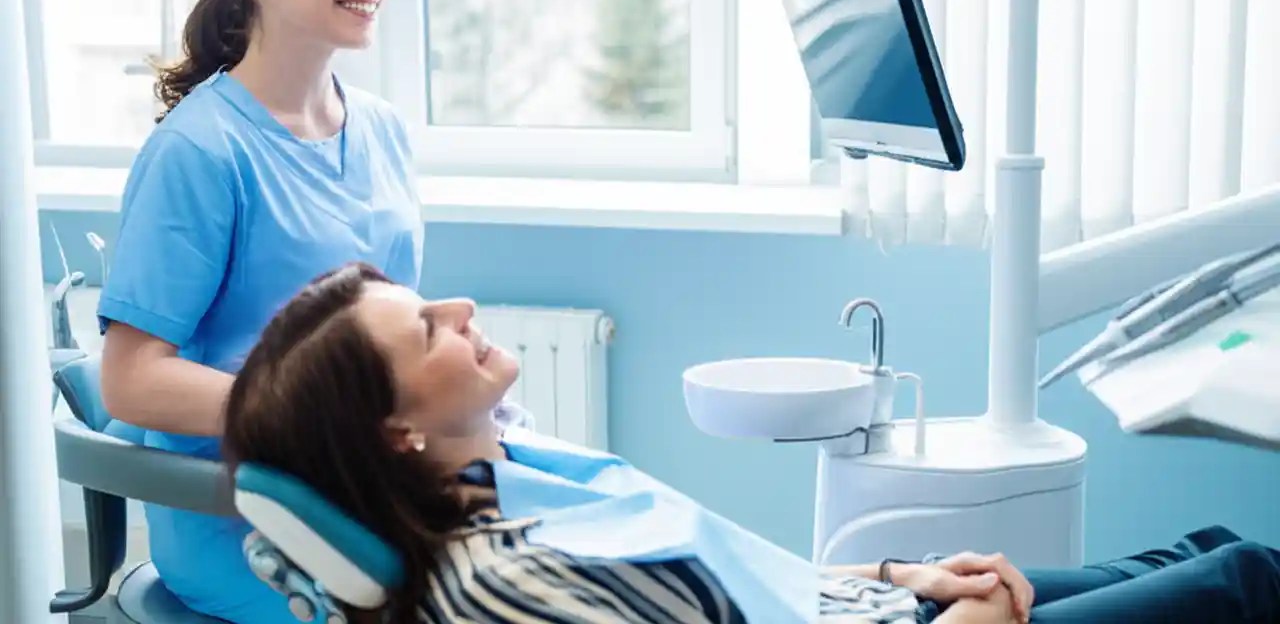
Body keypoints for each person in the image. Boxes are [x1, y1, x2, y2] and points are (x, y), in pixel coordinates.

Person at [222, 262, 1280, 624]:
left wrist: (895, 572)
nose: (457, 305)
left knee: (1202, 552)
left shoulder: (509, 489)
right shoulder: (506, 588)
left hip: (878, 603)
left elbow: (721, 586)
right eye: (424, 328)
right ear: (395, 430)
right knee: (1240, 581)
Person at [96, 0, 422, 620]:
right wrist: (321, 415)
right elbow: (130, 381)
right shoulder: (199, 151)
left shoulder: (383, 128)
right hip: (244, 520)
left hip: (366, 488)